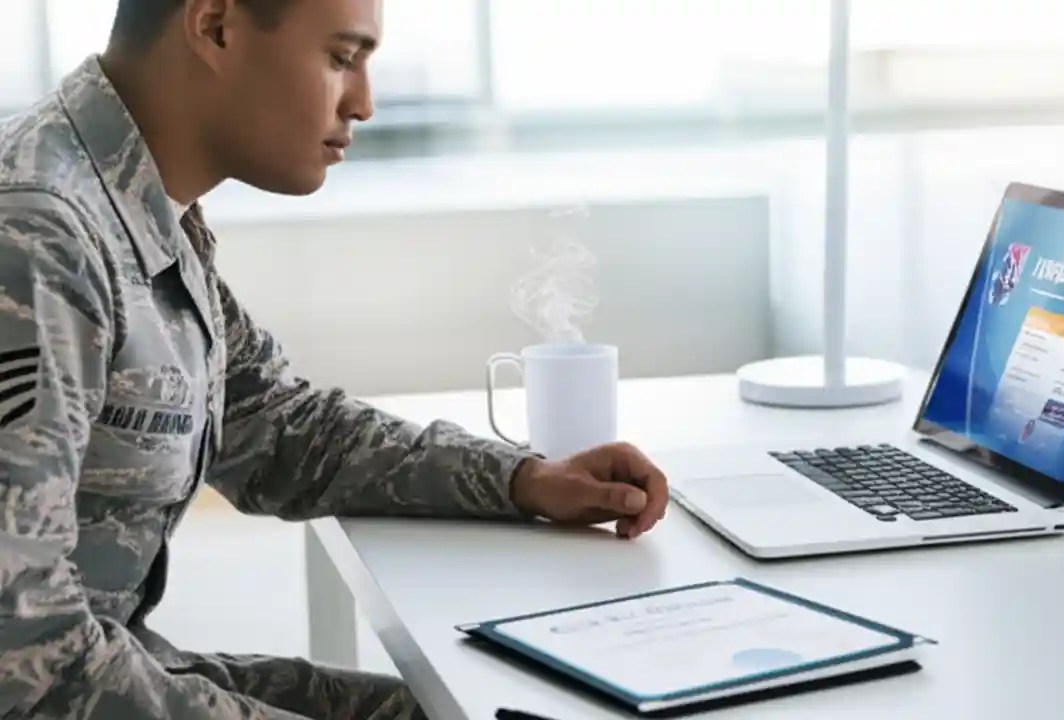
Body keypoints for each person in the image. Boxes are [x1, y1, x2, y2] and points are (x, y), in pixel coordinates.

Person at [0, 1, 669, 718]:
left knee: (484, 705)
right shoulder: (39, 234)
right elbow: (24, 657)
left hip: (106, 668)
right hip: (54, 687)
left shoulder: (129, 201)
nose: (366, 103)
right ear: (217, 26)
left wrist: (526, 479)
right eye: (341, 58)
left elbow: (278, 425)